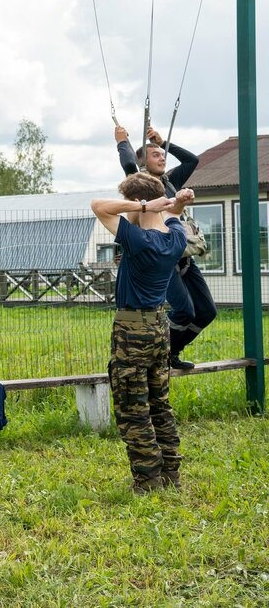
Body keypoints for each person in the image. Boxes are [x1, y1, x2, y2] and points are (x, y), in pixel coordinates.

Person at [91, 173, 194, 493]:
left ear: (139, 205)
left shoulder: (139, 240)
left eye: (132, 207)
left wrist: (146, 203)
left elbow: (98, 207)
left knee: (133, 408)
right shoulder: (174, 237)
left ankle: (148, 480)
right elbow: (172, 217)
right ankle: (171, 473)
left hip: (132, 332)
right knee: (159, 404)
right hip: (159, 328)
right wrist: (174, 204)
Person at [117, 125, 216, 370]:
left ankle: (172, 352)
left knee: (206, 312)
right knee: (184, 310)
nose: (162, 157)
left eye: (162, 155)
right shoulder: (140, 184)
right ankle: (160, 352)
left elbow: (192, 160)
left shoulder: (169, 182)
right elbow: (129, 163)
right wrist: (122, 142)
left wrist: (163, 143)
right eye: (155, 154)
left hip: (181, 256)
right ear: (142, 163)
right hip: (161, 259)